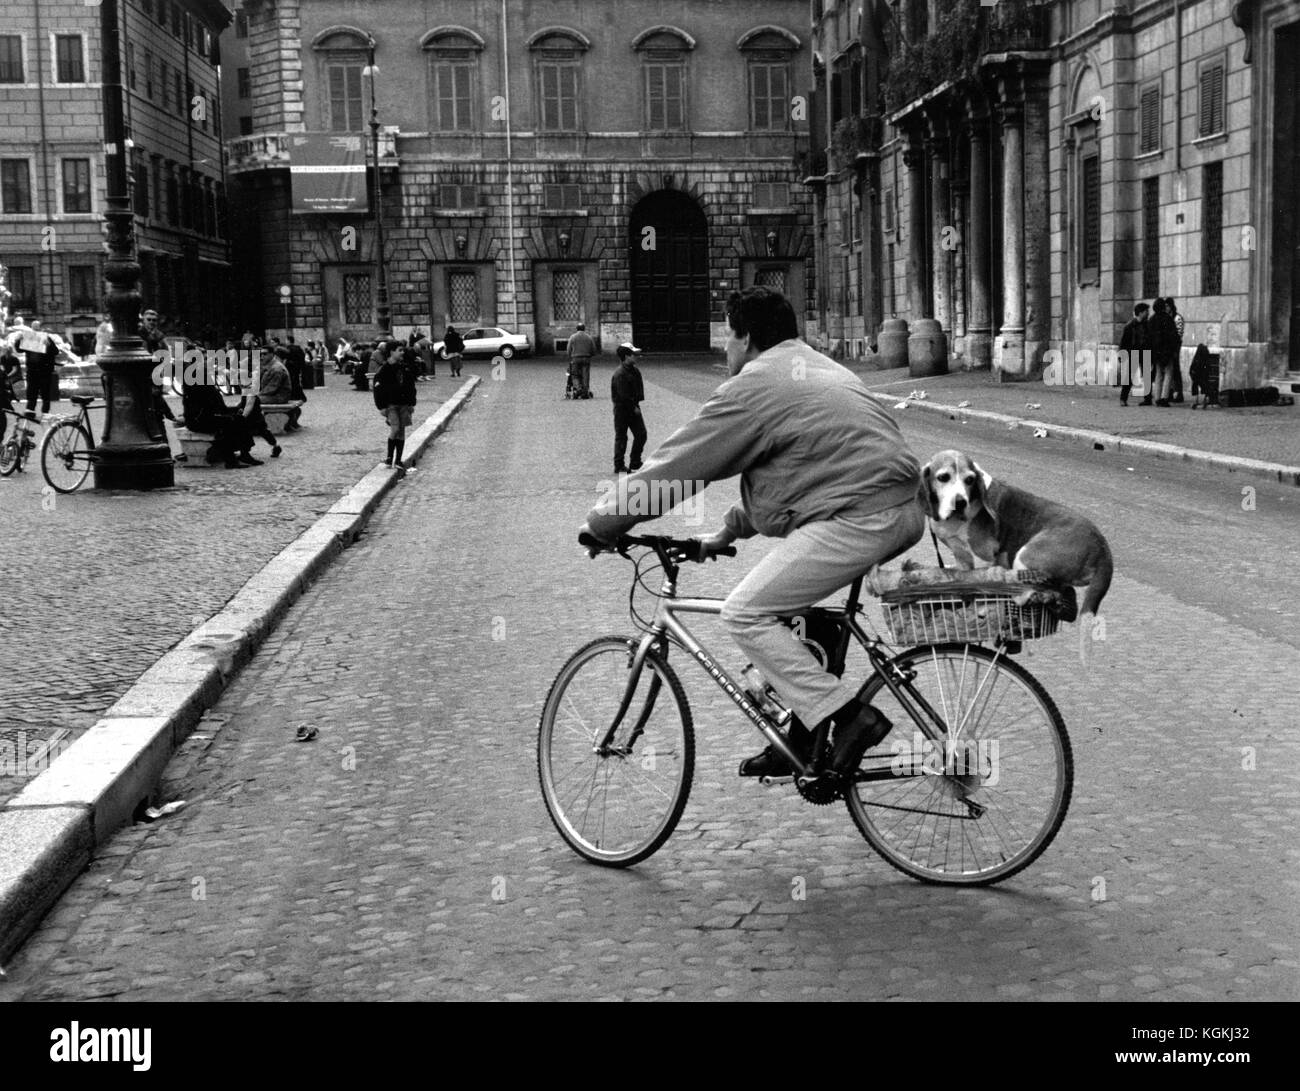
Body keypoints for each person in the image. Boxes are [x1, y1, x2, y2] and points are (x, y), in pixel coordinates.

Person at [583, 285, 925, 780]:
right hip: (896, 508)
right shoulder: (816, 364)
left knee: (745, 611)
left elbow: (677, 468)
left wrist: (601, 523)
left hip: (861, 516)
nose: (726, 349)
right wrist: (727, 531)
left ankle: (849, 717)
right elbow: (808, 471)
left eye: (728, 336)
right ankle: (804, 736)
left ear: (744, 337)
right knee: (794, 607)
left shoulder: (756, 386)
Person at [180, 370, 260, 468]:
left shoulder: (206, 388)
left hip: (208, 417)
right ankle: (230, 461)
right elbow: (206, 409)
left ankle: (245, 454)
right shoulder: (197, 391)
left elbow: (219, 407)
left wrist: (234, 411)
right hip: (199, 421)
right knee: (228, 424)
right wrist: (225, 414)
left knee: (240, 419)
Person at [372, 338, 417, 474]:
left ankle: (398, 460)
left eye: (402, 350)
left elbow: (411, 386)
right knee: (395, 428)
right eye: (399, 350)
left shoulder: (404, 367)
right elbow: (377, 389)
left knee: (401, 431)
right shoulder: (384, 369)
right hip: (391, 404)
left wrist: (411, 402)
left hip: (404, 404)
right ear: (391, 352)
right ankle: (389, 457)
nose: (402, 353)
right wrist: (381, 407)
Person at [611, 342, 647, 474]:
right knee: (622, 436)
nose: (636, 356)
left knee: (641, 434)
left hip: (632, 406)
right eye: (634, 354)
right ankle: (619, 464)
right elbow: (623, 395)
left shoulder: (633, 370)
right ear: (626, 356)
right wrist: (633, 407)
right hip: (623, 409)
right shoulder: (620, 374)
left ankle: (635, 461)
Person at [15, 319, 57, 420]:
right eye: (33, 329)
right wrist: (19, 340)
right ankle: (30, 412)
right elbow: (18, 349)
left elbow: (56, 351)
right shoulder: (28, 338)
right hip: (32, 371)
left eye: (36, 328)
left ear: (40, 328)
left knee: (45, 394)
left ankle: (45, 413)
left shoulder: (46, 338)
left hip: (44, 371)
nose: (35, 331)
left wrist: (49, 345)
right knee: (31, 393)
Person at [1148, 297, 1179, 407]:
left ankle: (1157, 397)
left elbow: (1149, 338)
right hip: (1167, 351)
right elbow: (1174, 336)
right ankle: (1164, 397)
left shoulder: (1151, 320)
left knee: (1158, 375)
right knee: (1168, 373)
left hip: (1156, 352)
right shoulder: (1168, 319)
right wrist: (1174, 350)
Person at [1117, 301, 1150, 407]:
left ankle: (1148, 398)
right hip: (1133, 353)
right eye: (1146, 311)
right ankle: (1123, 398)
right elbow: (1123, 342)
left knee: (1146, 376)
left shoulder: (1147, 325)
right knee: (1129, 377)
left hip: (1144, 352)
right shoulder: (1130, 326)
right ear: (1140, 313)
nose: (1148, 313)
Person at [1165, 298, 1185, 403]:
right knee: (1169, 370)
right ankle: (1170, 392)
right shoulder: (1167, 317)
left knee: (1175, 369)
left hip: (1175, 347)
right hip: (1168, 347)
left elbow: (1179, 334)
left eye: (1167, 306)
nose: (1166, 308)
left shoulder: (1177, 318)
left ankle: (1179, 393)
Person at [567, 322, 595, 399]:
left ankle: (578, 388)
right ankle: (585, 391)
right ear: (584, 329)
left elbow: (569, 349)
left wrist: (570, 356)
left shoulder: (573, 337)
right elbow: (593, 349)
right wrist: (590, 355)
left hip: (575, 358)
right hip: (586, 358)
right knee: (585, 375)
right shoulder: (589, 337)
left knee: (575, 374)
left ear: (577, 329)